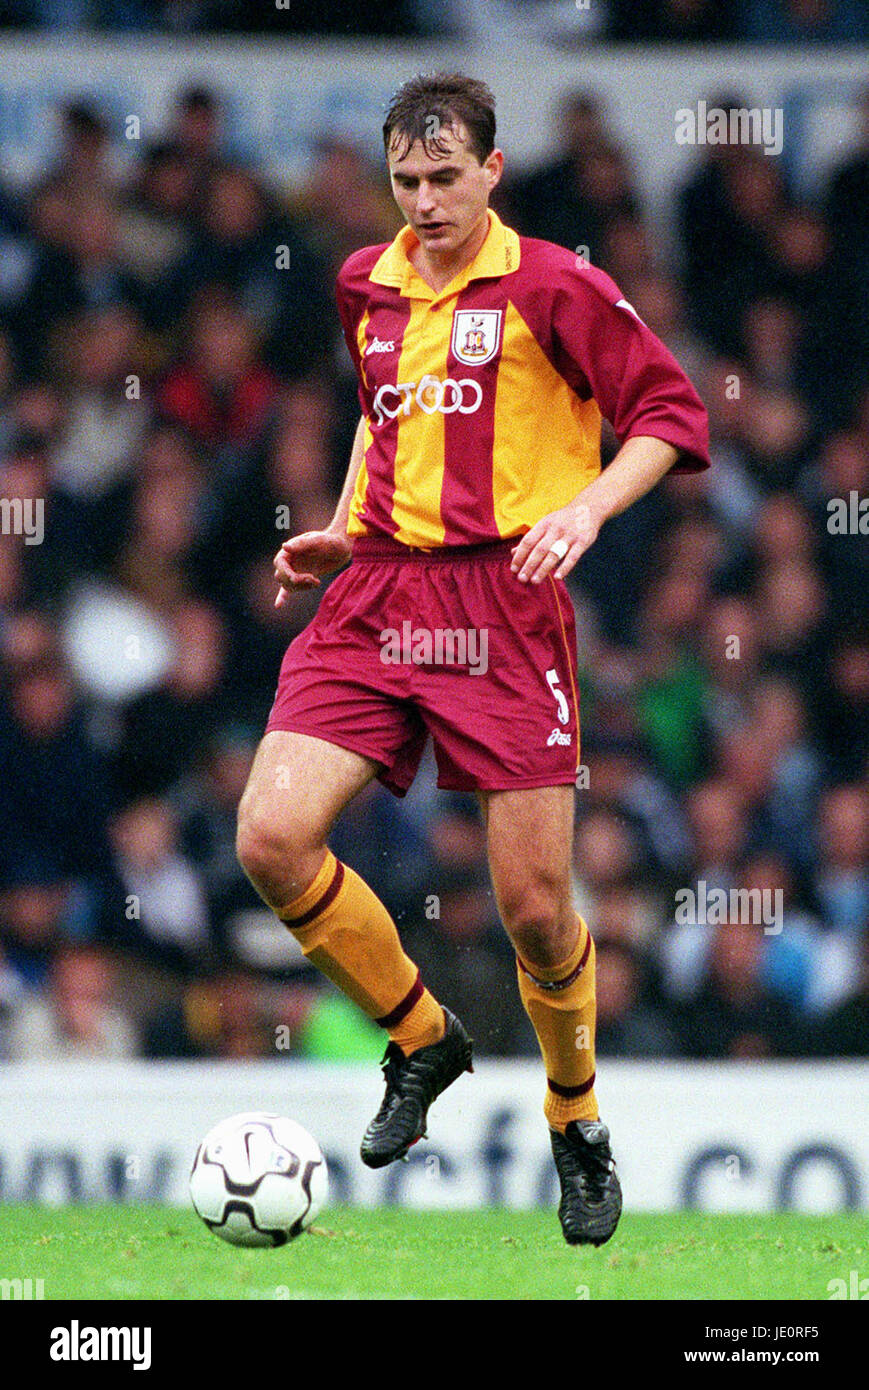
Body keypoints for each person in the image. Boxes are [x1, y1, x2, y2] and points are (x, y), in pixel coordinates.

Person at [236, 72, 709, 1247]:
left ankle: (575, 1115)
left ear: (492, 172)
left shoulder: (556, 282)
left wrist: (587, 511)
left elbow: (667, 414)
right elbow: (382, 412)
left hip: (507, 598)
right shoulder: (363, 282)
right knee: (269, 838)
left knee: (536, 912)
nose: (424, 199)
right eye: (405, 179)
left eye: (446, 177)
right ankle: (421, 1037)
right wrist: (347, 522)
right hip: (380, 589)